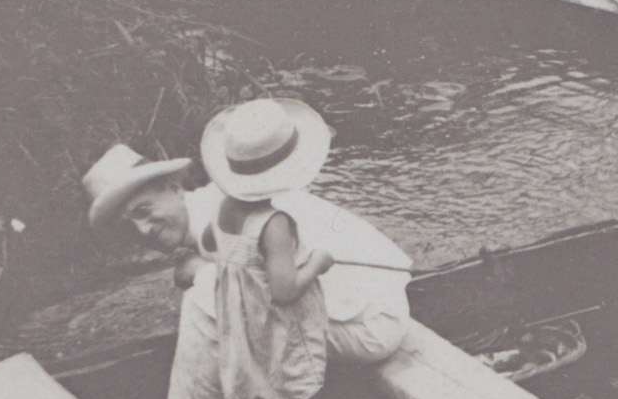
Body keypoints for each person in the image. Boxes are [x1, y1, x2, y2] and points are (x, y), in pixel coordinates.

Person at [84, 138, 416, 370]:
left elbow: (274, 293)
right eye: (130, 226)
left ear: (173, 188)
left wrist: (201, 273)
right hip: (369, 302)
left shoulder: (221, 222)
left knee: (210, 301)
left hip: (372, 326)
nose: (143, 231)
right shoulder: (215, 201)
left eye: (144, 211)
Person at [172, 98, 340, 399]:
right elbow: (284, 292)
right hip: (278, 343)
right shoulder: (275, 223)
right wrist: (317, 262)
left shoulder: (225, 209)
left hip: (244, 344)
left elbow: (211, 246)